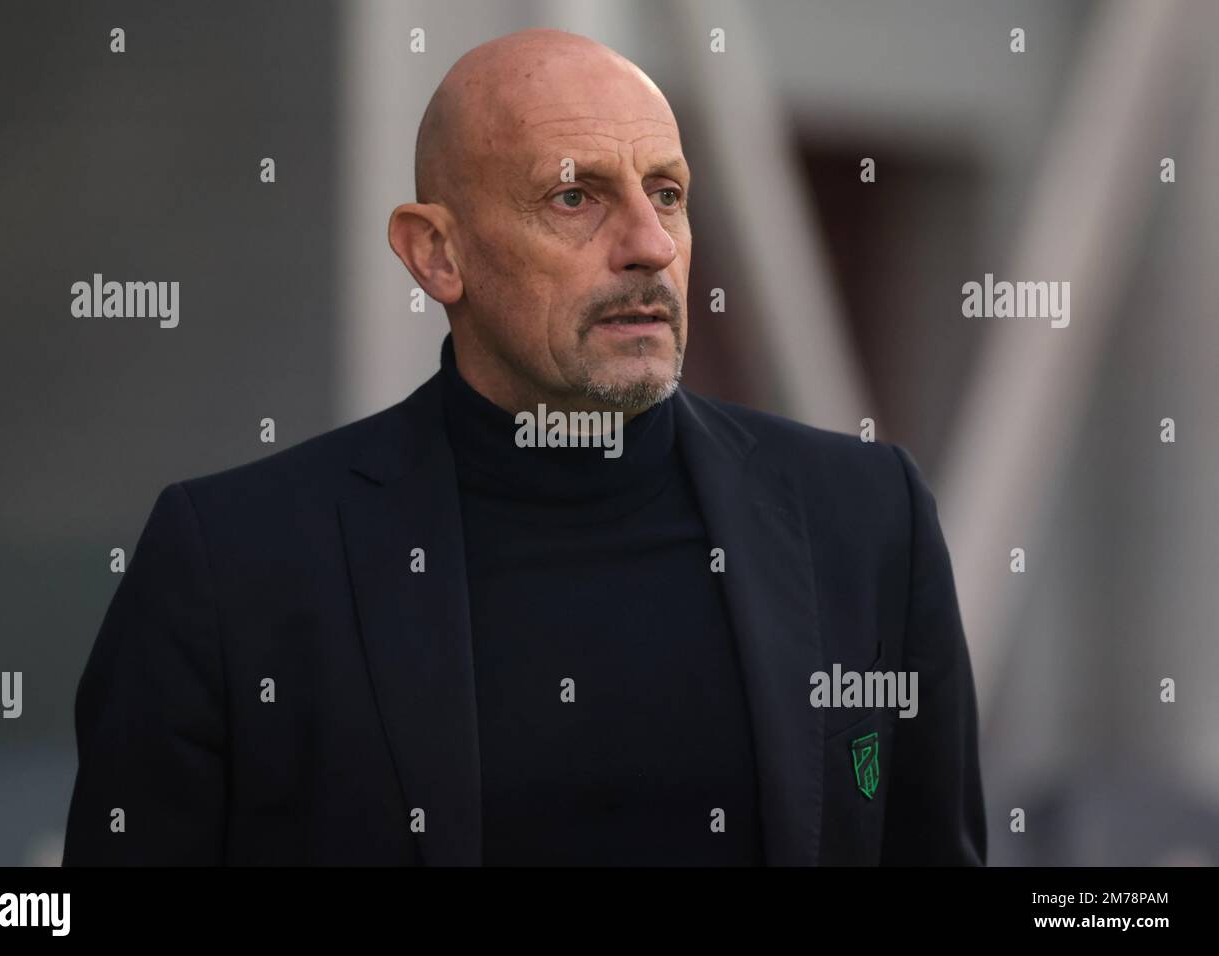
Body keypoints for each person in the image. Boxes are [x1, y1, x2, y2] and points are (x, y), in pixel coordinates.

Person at [63, 28, 986, 866]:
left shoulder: (865, 518)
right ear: (436, 256)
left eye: (668, 192)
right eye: (575, 195)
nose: (650, 245)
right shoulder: (233, 565)